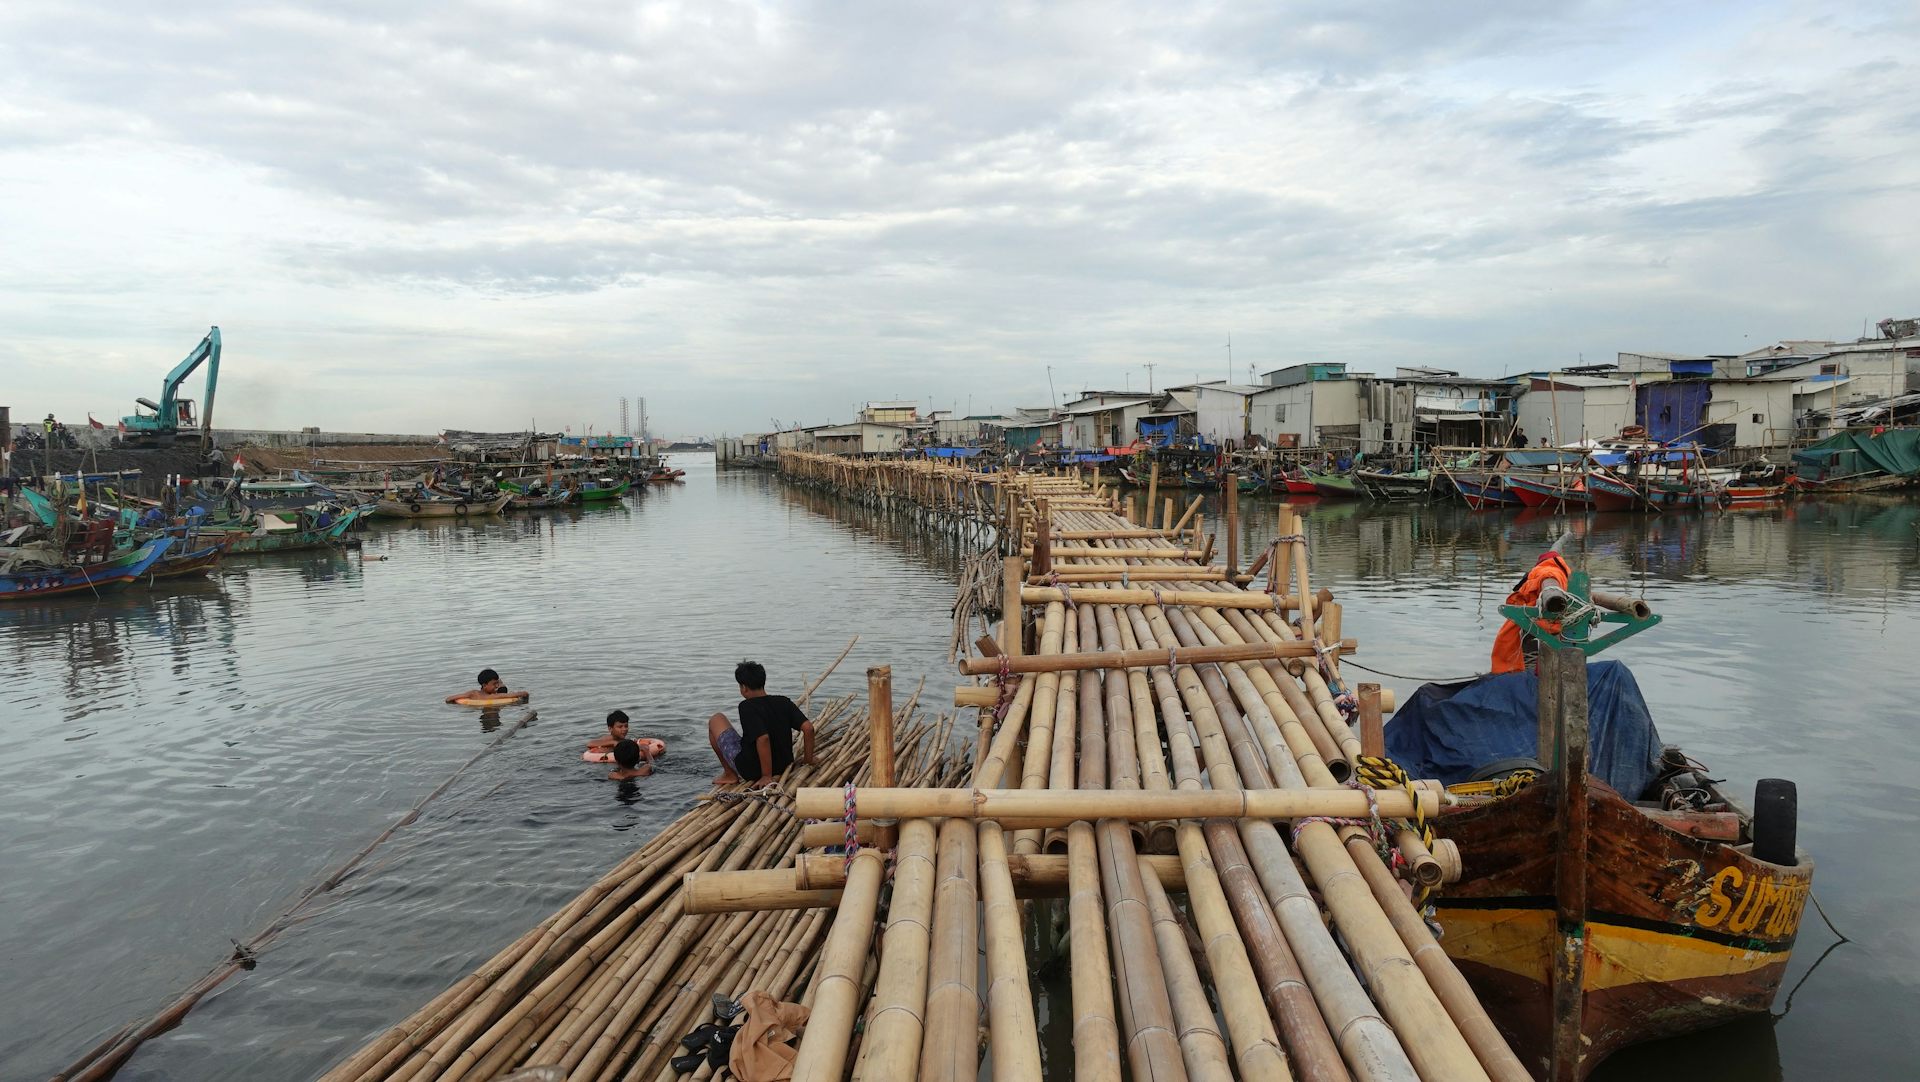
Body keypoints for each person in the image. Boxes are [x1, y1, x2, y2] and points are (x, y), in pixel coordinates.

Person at [707, 660, 815, 788]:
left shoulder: (746, 706)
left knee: (716, 719)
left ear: (744, 687)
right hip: (784, 765)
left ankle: (730, 774)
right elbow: (808, 728)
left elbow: (763, 738)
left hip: (752, 770)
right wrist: (808, 760)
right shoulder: (783, 701)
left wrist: (766, 776)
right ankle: (737, 773)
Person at [1490, 539, 1572, 674]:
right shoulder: (1552, 573)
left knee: (1519, 636)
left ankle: (1507, 673)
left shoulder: (1547, 573)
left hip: (1549, 612)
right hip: (1549, 616)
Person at [446, 668, 511, 703]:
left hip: (498, 695)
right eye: (494, 684)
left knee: (503, 690)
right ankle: (500, 683)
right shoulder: (473, 693)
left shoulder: (496, 695)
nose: (496, 686)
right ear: (484, 685)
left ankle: (501, 684)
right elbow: (448, 699)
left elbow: (515, 695)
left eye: (497, 684)